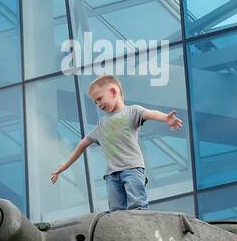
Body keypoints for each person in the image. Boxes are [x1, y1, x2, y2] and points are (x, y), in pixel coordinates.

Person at [50, 74, 184, 211]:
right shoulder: (102, 124)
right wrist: (64, 167)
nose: (98, 105)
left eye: (99, 99)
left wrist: (166, 118)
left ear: (113, 92)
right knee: (116, 212)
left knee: (137, 207)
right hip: (112, 176)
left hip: (132, 169)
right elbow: (83, 144)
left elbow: (150, 113)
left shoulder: (132, 112)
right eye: (95, 102)